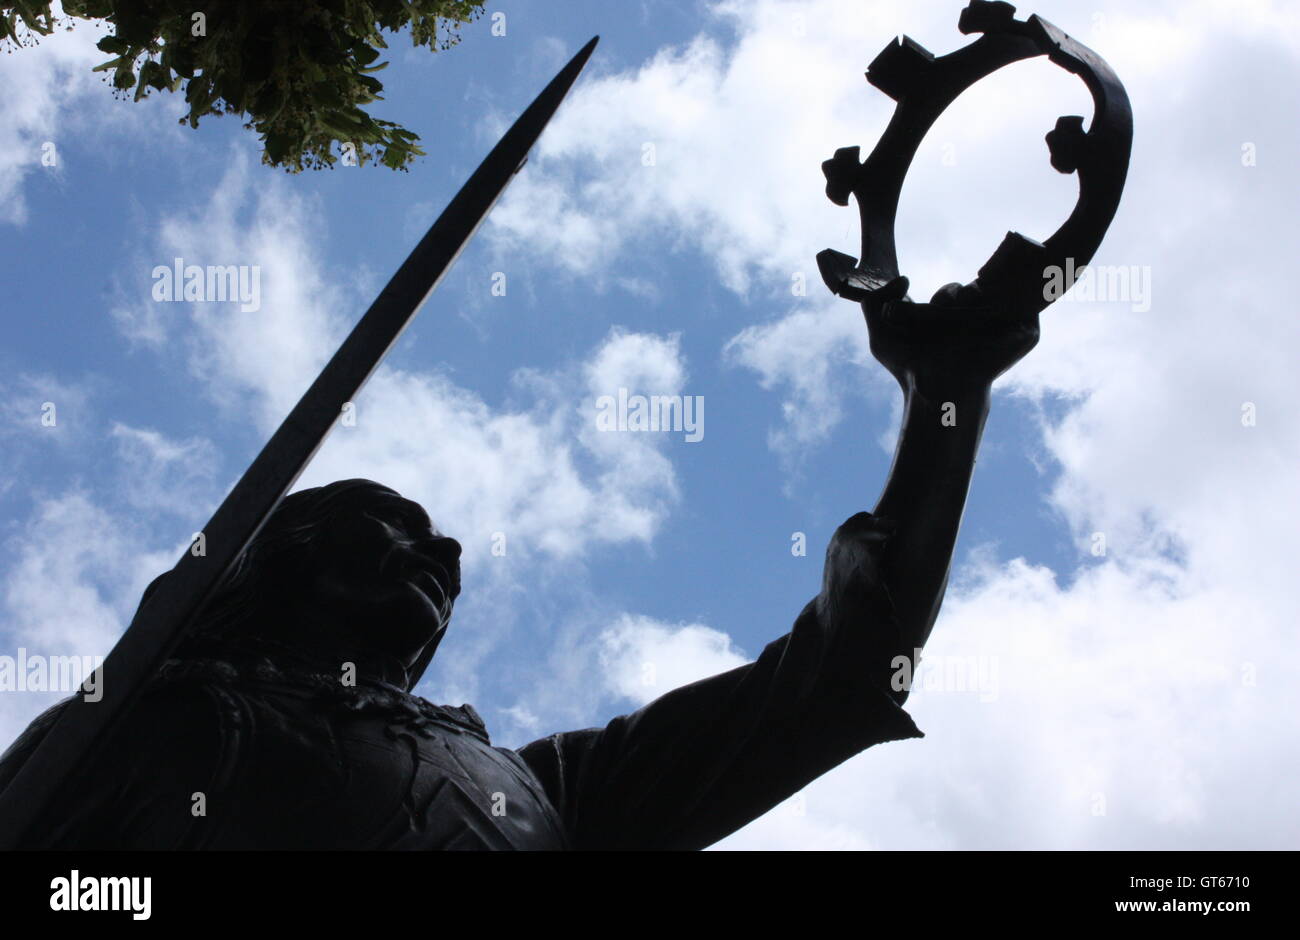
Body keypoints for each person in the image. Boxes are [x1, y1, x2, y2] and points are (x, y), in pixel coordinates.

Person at [0, 280, 1038, 849]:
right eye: (388, 521)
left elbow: (844, 671)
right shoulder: (147, 716)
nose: (442, 550)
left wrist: (947, 397)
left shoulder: (542, 790)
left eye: (441, 538)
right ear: (281, 560)